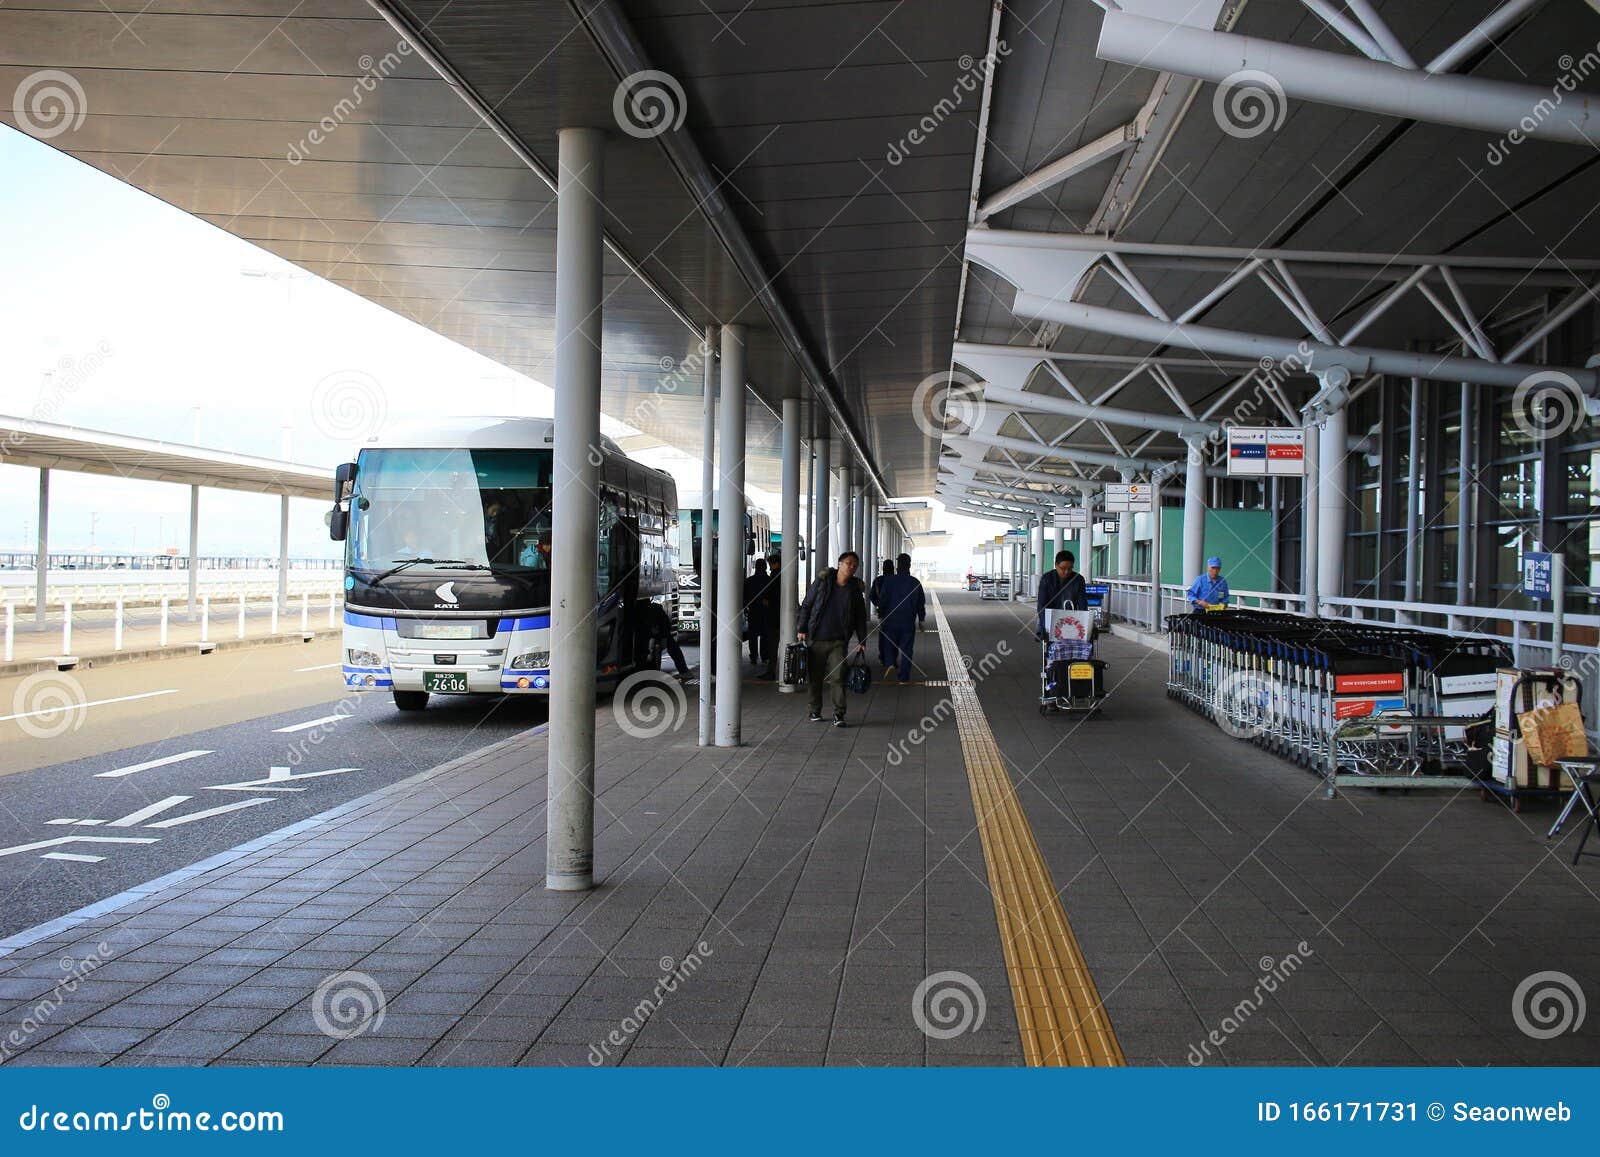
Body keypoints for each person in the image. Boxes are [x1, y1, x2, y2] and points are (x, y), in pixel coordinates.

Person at [796, 550, 868, 728]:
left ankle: (839, 714)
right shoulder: (823, 582)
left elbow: (860, 617)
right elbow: (807, 605)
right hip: (816, 639)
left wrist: (862, 641)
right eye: (849, 563)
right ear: (840, 564)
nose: (852, 567)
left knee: (838, 677)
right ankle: (815, 710)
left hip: (838, 641)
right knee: (815, 677)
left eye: (855, 565)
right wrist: (802, 628)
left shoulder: (854, 590)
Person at [876, 553, 926, 684]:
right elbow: (920, 603)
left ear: (897, 565)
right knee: (907, 649)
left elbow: (883, 600)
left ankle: (890, 662)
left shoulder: (889, 581)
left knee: (888, 643)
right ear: (909, 565)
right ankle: (904, 677)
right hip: (908, 621)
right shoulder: (915, 582)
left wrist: (881, 616)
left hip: (890, 620)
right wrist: (921, 620)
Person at [632, 598, 691, 679]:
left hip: (657, 632)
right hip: (658, 631)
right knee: (672, 646)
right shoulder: (656, 608)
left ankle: (684, 671)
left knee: (669, 646)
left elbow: (663, 625)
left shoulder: (641, 610)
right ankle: (684, 671)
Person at [1035, 549, 1088, 639]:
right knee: (1047, 639)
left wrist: (1085, 623)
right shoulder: (1046, 579)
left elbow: (1082, 604)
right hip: (1049, 618)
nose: (1067, 572)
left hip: (1071, 619)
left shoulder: (1078, 579)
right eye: (1063, 568)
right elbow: (1041, 605)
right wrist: (1047, 626)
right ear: (1056, 565)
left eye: (1070, 568)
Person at [758, 553, 783, 679]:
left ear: (775, 564)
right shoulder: (784, 574)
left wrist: (766, 601)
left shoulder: (774, 576)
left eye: (770, 564)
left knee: (772, 646)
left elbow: (767, 597)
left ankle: (771, 672)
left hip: (774, 617)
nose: (769, 567)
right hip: (783, 616)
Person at [868, 558, 895, 671]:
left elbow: (871, 596)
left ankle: (882, 656)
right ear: (893, 569)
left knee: (883, 634)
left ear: (883, 569)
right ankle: (892, 659)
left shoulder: (878, 580)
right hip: (895, 612)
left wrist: (878, 604)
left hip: (882, 612)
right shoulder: (895, 580)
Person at [743, 558, 770, 666]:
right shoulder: (769, 580)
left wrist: (746, 608)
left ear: (756, 567)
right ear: (765, 567)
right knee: (765, 635)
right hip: (766, 612)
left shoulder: (749, 581)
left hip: (753, 611)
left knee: (752, 636)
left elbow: (744, 597)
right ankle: (764, 656)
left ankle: (753, 656)